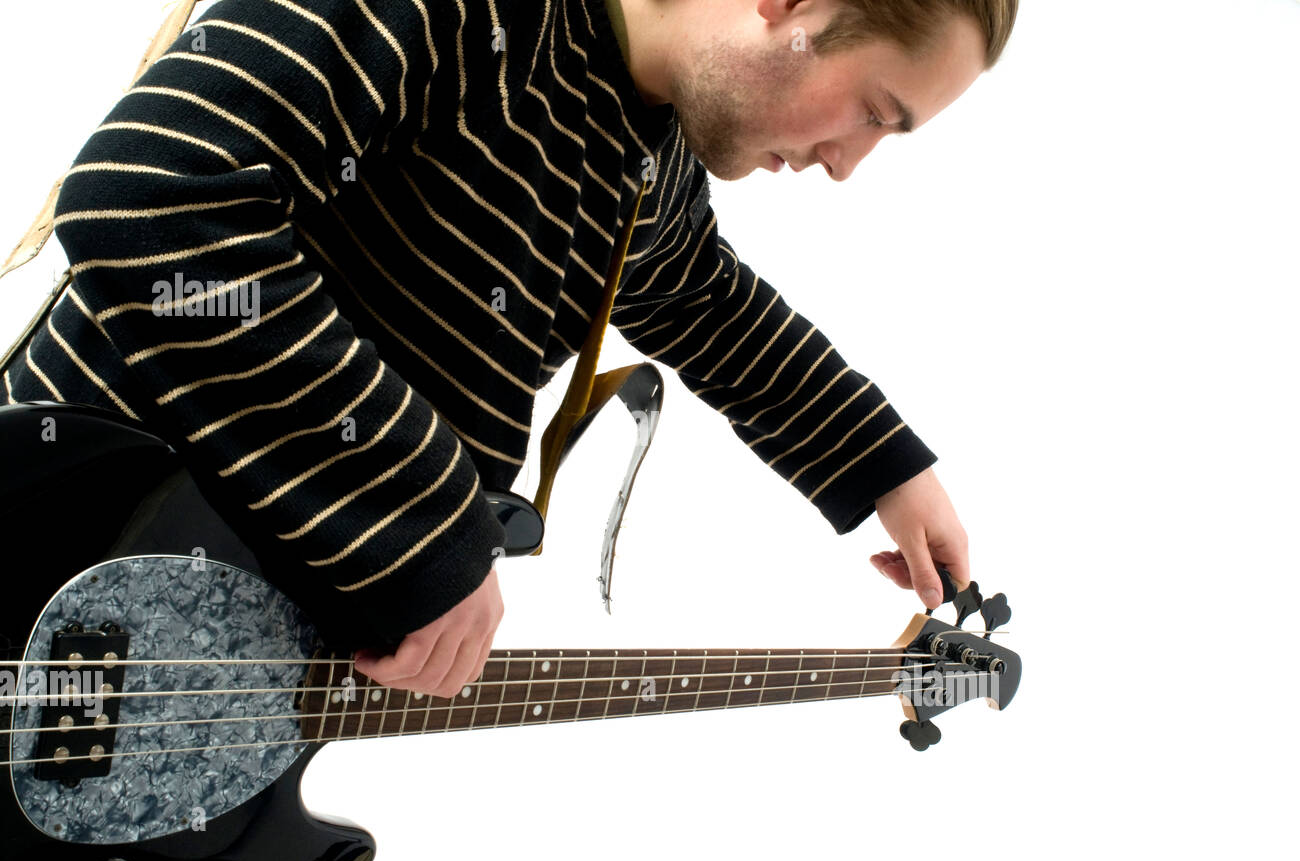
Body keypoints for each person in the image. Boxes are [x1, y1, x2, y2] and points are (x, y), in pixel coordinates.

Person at [1, 0, 1016, 699]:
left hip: (189, 695)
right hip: (57, 573)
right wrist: (427, 517)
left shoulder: (645, 145)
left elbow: (704, 301)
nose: (848, 164)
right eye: (875, 111)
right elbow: (153, 190)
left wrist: (887, 463)